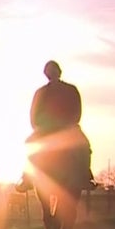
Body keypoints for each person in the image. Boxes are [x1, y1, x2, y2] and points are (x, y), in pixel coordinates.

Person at [18, 60, 93, 191]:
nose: (52, 74)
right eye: (50, 72)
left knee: (84, 145)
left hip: (62, 128)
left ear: (58, 72)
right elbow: (34, 115)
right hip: (55, 128)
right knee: (29, 144)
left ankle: (86, 175)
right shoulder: (42, 92)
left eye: (53, 71)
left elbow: (34, 116)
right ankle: (27, 177)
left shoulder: (70, 89)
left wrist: (41, 126)